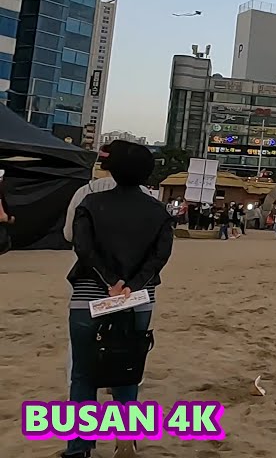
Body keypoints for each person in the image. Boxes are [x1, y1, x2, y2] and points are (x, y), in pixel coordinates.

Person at [64, 141, 173, 458]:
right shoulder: (158, 211)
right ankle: (126, 442)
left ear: (111, 170)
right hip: (138, 299)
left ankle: (79, 449)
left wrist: (111, 281)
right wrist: (131, 285)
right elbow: (159, 257)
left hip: (89, 297)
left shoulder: (90, 203)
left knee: (83, 375)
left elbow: (83, 249)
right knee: (128, 371)